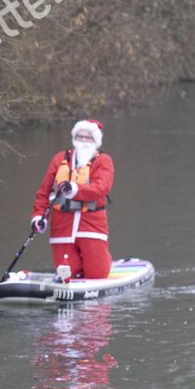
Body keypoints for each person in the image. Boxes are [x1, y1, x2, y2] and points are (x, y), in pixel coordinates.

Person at [30, 119, 114, 280]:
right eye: (79, 136)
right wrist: (39, 217)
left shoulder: (103, 161)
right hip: (62, 226)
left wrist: (75, 189)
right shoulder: (60, 159)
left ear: (95, 141)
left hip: (91, 225)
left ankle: (103, 261)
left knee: (97, 273)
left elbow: (101, 188)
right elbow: (44, 192)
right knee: (67, 274)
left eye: (87, 138)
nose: (83, 141)